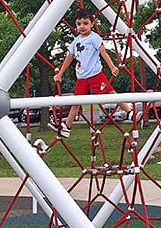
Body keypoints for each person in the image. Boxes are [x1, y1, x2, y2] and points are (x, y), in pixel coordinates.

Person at [51, 8, 133, 138]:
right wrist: (60, 74)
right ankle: (67, 127)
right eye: (79, 24)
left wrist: (112, 67)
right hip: (82, 77)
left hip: (95, 75)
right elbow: (69, 57)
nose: (82, 26)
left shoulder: (94, 38)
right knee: (76, 102)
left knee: (111, 93)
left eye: (85, 23)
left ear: (92, 24)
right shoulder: (75, 41)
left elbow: (103, 52)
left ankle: (129, 111)